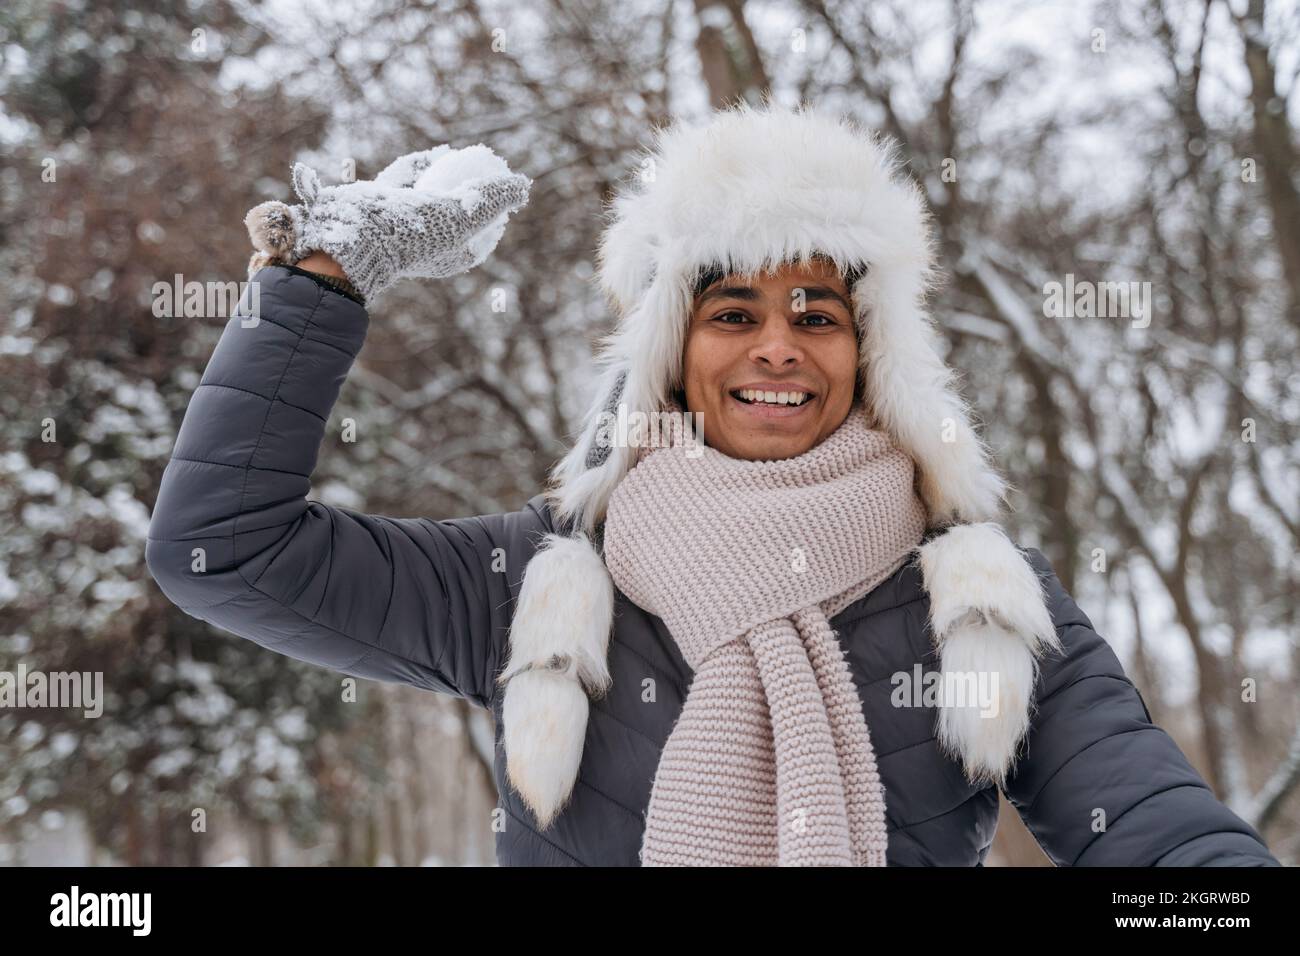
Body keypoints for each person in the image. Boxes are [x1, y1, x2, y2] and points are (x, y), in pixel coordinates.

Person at [146, 100, 1280, 867]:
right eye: (731, 313)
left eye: (818, 317)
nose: (777, 348)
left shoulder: (974, 596)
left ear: (871, 351)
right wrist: (327, 269)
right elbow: (223, 547)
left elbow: (1148, 822)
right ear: (670, 354)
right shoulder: (531, 582)